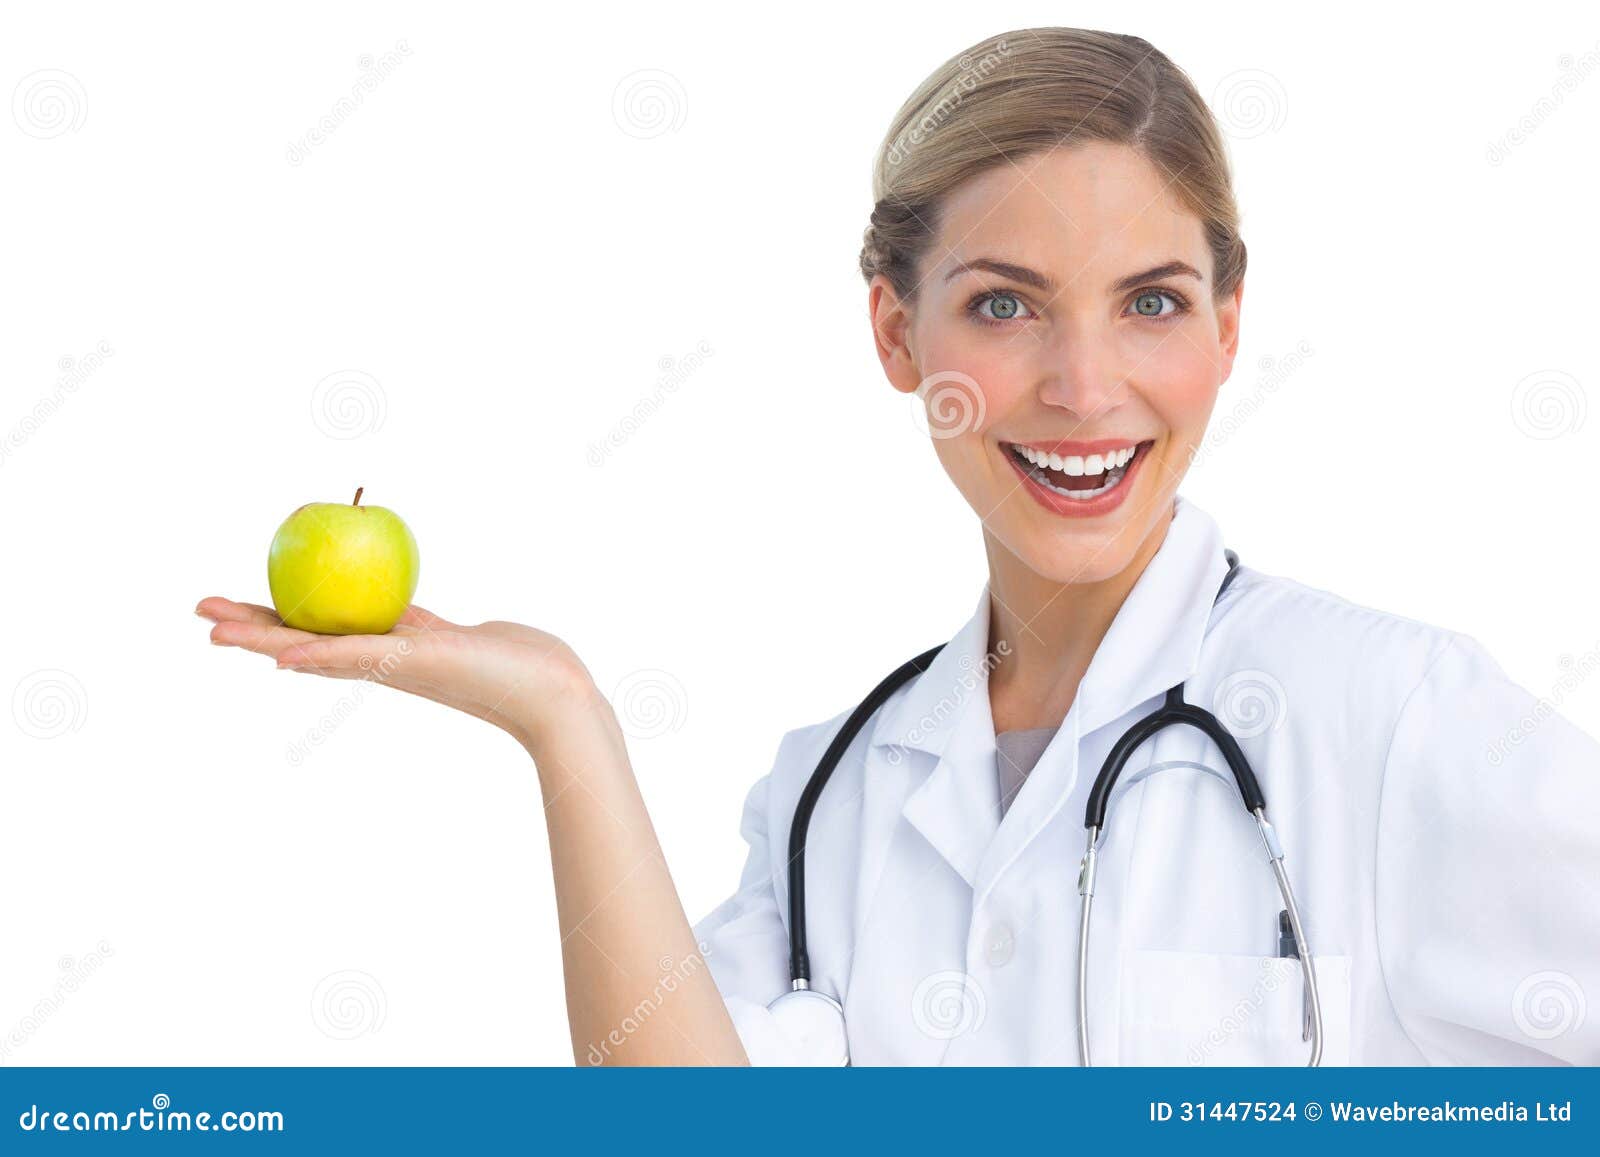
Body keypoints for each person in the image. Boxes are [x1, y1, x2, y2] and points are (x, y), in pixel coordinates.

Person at [197, 26, 1600, 1065]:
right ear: (894, 333)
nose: (1084, 384)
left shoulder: (1394, 719)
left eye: (1152, 303)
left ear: (1231, 327)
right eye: (1004, 307)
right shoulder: (834, 796)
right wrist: (568, 725)